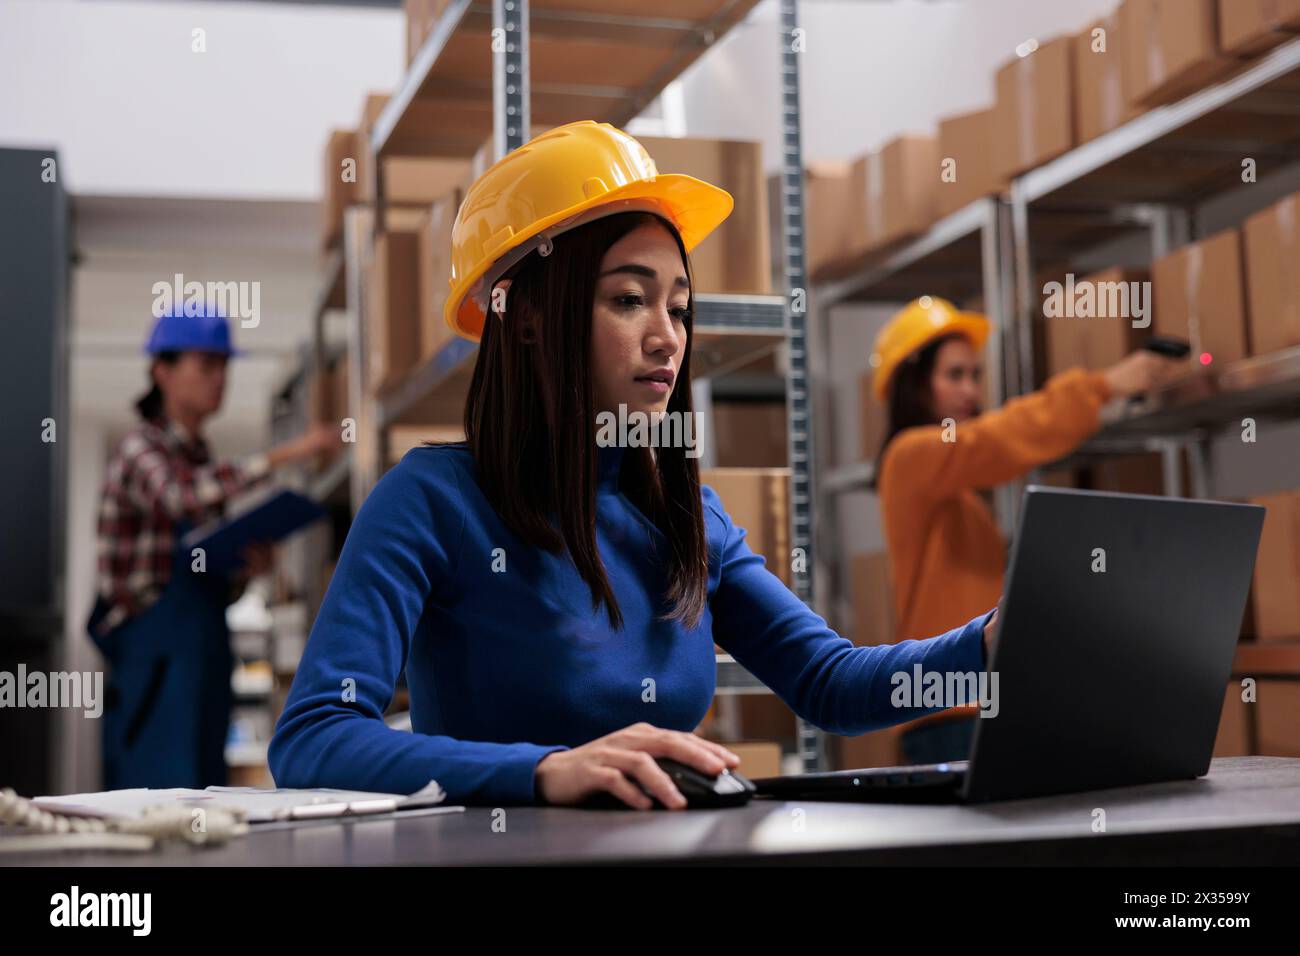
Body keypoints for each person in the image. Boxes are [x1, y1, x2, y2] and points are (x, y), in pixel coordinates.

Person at [269, 121, 998, 810]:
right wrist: (545, 770)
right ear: (525, 318)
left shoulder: (688, 519)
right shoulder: (429, 501)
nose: (666, 339)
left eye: (678, 309)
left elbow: (831, 684)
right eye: (628, 300)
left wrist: (991, 643)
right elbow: (313, 738)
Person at [869, 295, 1182, 761]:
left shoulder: (953, 489)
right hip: (948, 713)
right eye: (954, 375)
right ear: (914, 383)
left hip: (975, 706)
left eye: (975, 375)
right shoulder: (909, 456)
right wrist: (1103, 387)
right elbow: (998, 440)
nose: (971, 391)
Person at [88, 305, 338, 789]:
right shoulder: (142, 449)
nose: (219, 378)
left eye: (224, 366)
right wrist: (290, 451)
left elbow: (204, 570)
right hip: (154, 657)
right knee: (154, 794)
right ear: (162, 371)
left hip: (202, 647)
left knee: (200, 790)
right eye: (206, 365)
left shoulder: (202, 460)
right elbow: (180, 497)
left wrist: (245, 570)